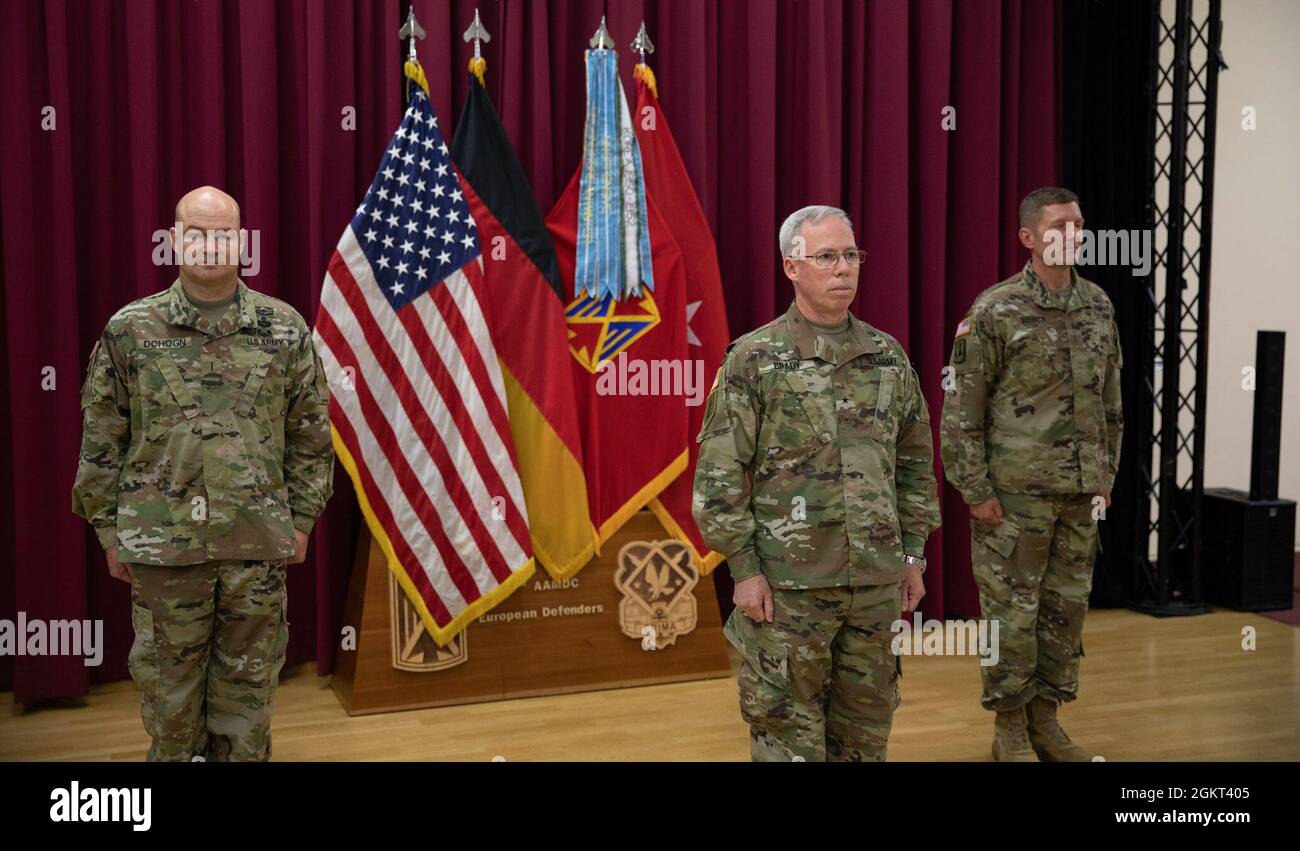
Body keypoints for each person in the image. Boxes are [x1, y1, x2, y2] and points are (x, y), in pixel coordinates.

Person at [72, 186, 335, 761]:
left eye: (223, 233)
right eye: (196, 232)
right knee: (171, 714)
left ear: (242, 242)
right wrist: (110, 532)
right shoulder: (131, 329)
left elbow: (311, 434)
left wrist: (303, 519)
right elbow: (102, 439)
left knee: (246, 715)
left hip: (256, 550)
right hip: (164, 553)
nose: (210, 245)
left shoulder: (283, 328)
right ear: (173, 240)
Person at [693, 205, 941, 761]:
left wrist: (913, 555)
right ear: (792, 267)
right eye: (826, 256)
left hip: (874, 583)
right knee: (787, 736)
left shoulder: (888, 356)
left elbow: (915, 463)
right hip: (787, 589)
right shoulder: (754, 359)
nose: (842, 268)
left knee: (865, 733)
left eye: (850, 255)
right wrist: (745, 568)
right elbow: (719, 474)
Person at [940, 186, 1123, 762]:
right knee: (1010, 616)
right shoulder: (995, 310)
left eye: (1079, 224)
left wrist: (1104, 475)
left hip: (1079, 493)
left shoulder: (1098, 304)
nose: (1073, 234)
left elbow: (1111, 400)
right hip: (1014, 497)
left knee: (1065, 610)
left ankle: (1047, 720)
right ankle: (1010, 728)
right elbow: (961, 407)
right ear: (1028, 237)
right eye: (1059, 225)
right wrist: (975, 490)